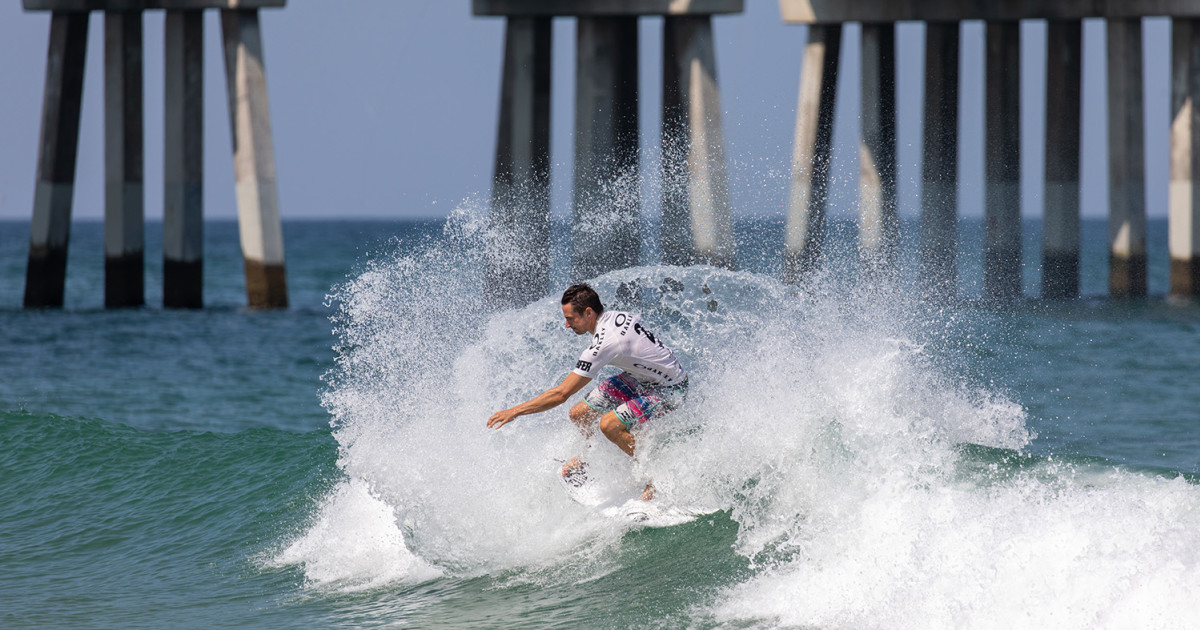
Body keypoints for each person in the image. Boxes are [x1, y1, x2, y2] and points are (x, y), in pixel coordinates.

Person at [486, 283, 688, 500]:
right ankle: (594, 456)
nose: (566, 324)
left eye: (571, 318)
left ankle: (655, 476)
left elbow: (561, 394)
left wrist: (515, 411)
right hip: (640, 379)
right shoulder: (614, 316)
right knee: (579, 414)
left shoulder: (605, 343)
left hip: (670, 389)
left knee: (609, 424)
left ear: (589, 312)